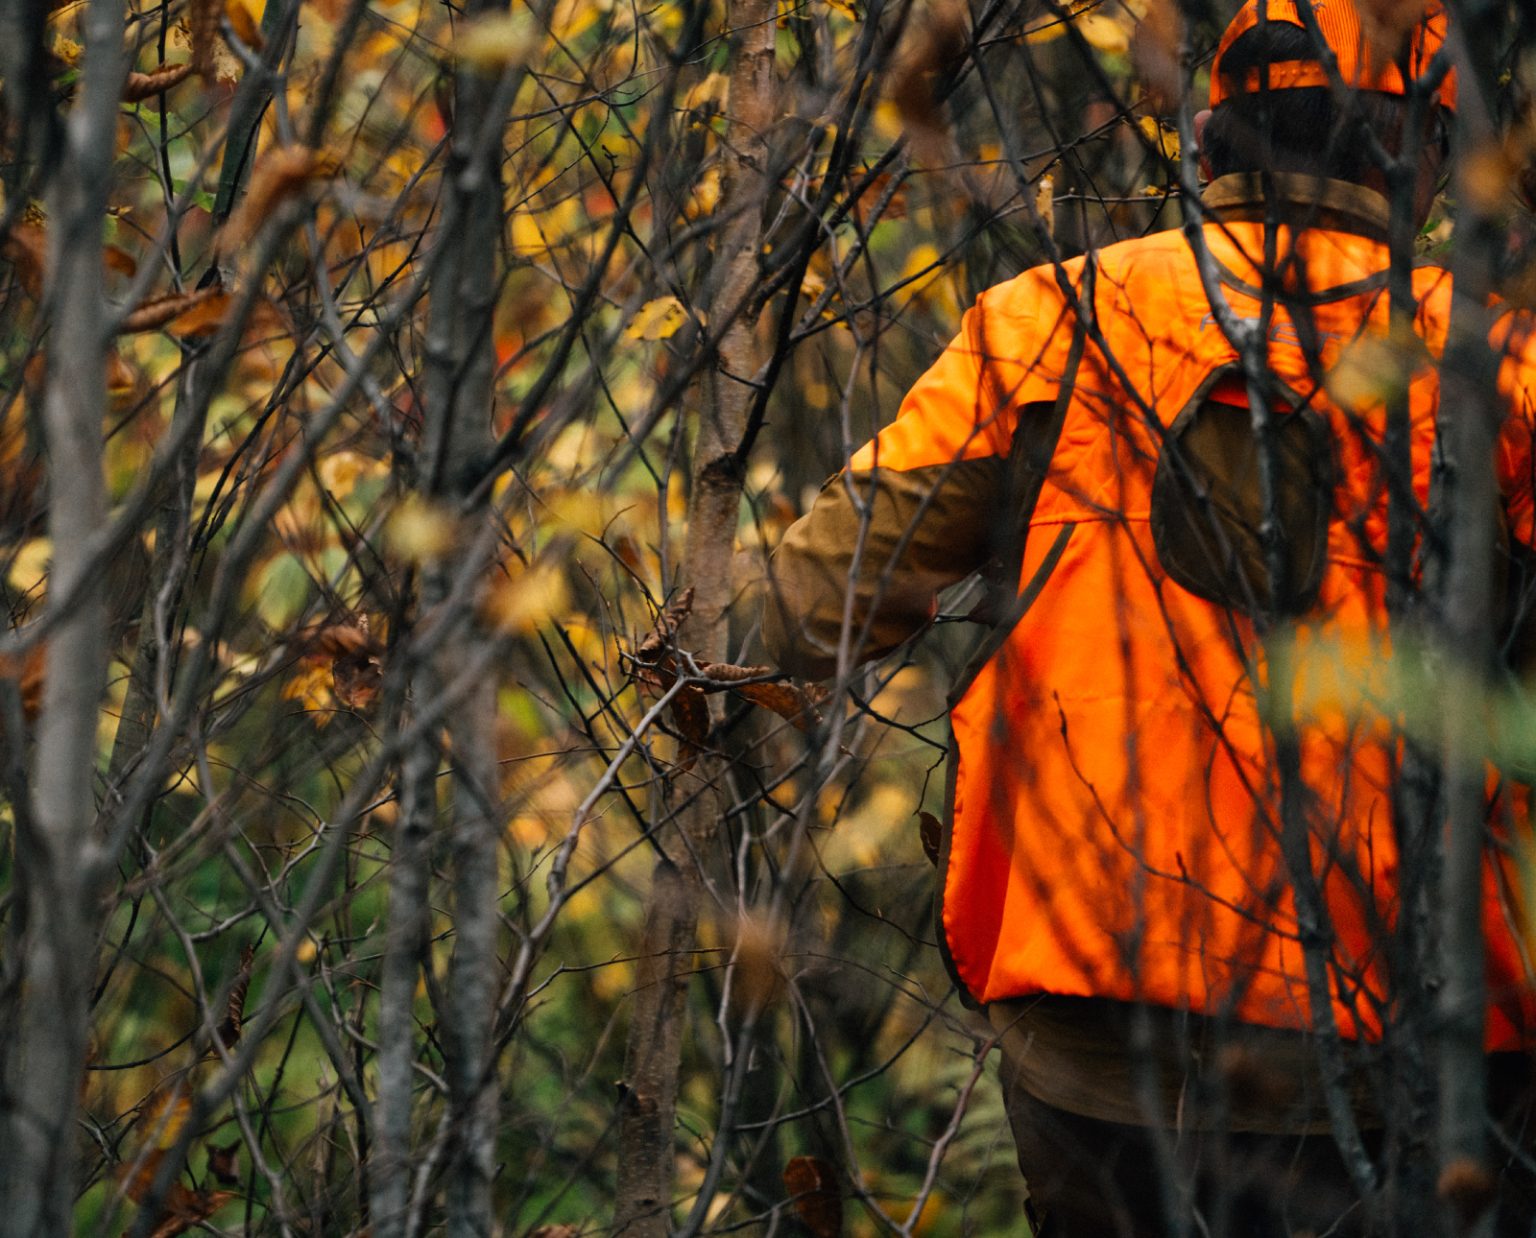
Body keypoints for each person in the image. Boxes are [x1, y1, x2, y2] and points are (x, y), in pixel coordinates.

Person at [761, 2, 1536, 1233]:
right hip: (1419, 1062)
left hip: (1094, 1046)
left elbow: (804, 607)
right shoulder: (1500, 363)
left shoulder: (1043, 325)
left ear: (1211, 135)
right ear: (1426, 154)